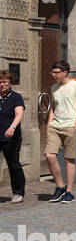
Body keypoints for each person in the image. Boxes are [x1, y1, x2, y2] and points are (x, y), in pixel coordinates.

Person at [45, 60, 76, 203]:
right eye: (52, 72)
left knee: (69, 159)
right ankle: (60, 186)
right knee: (49, 155)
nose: (54, 75)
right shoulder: (54, 87)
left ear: (65, 72)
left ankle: (69, 191)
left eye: (56, 72)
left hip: (70, 125)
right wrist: (49, 123)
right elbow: (53, 106)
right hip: (55, 125)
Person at [0, 70, 26, 203]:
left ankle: (18, 192)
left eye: (5, 82)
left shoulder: (16, 97)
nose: (2, 84)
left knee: (13, 164)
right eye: (0, 82)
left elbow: (19, 114)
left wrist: (12, 127)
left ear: (10, 83)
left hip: (11, 137)